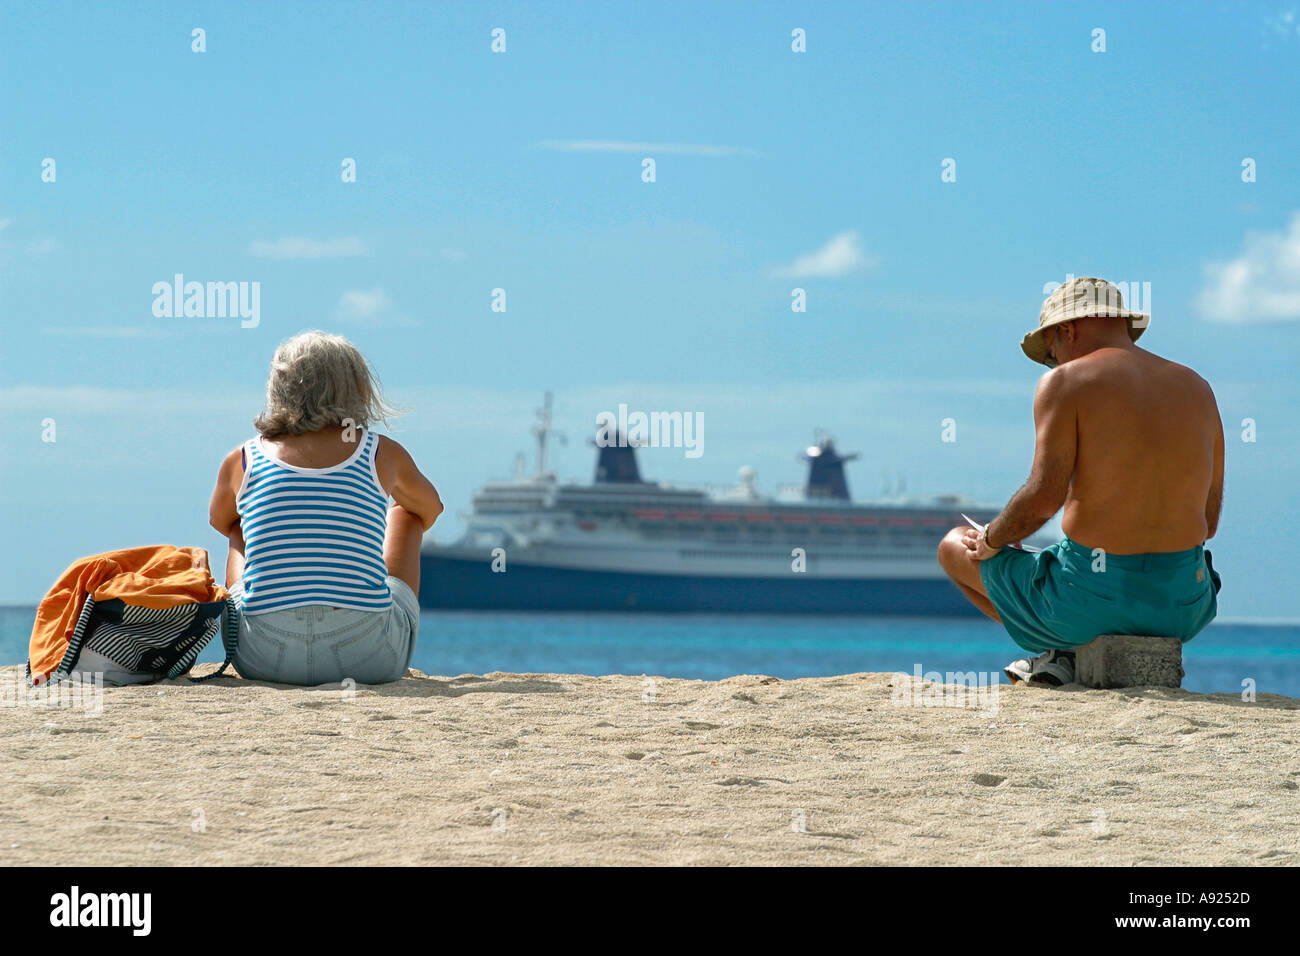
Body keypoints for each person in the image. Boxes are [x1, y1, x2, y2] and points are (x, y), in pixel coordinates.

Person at [937, 277, 1223, 686]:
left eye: (1052, 355)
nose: (1055, 365)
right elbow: (1209, 524)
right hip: (1183, 607)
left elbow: (1042, 498)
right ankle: (1064, 654)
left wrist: (993, 540)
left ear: (1066, 330)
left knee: (953, 546)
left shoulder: (1066, 383)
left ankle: (1064, 650)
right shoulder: (1198, 388)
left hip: (1087, 604)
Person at [208, 331, 443, 685]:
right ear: (357, 389)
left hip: (263, 655)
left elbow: (219, 520)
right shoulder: (380, 452)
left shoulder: (243, 458)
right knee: (406, 513)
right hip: (368, 653)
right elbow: (431, 508)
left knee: (239, 526)